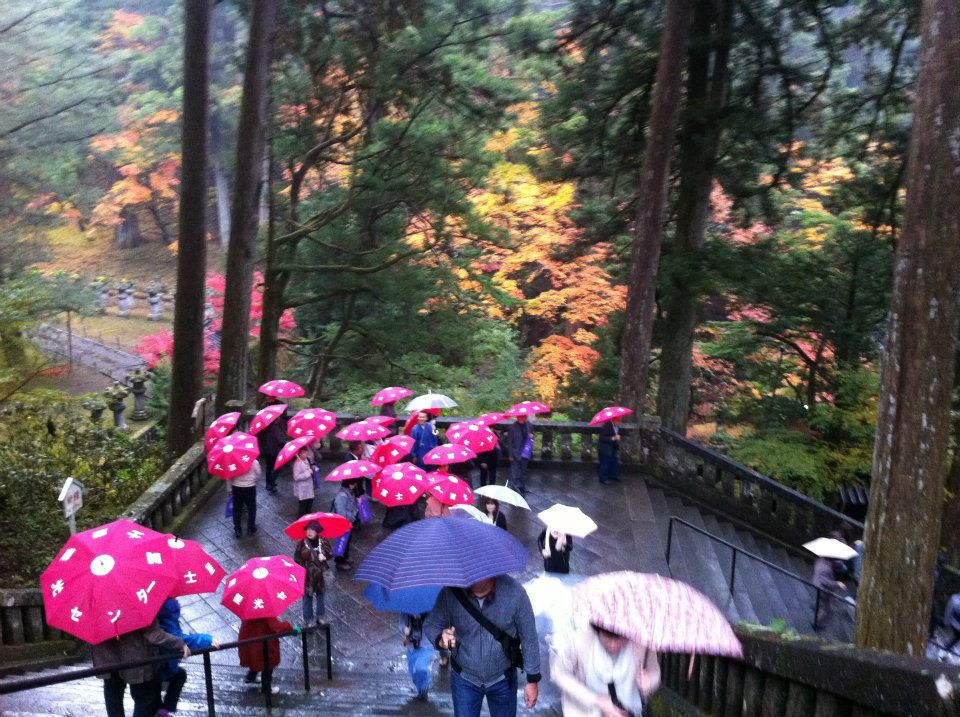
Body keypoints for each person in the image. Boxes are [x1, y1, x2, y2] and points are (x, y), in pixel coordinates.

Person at [424, 575, 542, 717]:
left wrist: (532, 679)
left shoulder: (515, 593)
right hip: (464, 678)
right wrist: (441, 640)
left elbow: (529, 637)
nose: (471, 579)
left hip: (503, 678)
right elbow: (432, 624)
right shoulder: (451, 592)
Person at [551, 623, 660, 717]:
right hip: (584, 712)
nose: (612, 644)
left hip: (629, 710)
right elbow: (559, 673)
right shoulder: (580, 638)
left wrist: (649, 681)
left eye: (620, 638)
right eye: (607, 637)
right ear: (598, 629)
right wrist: (596, 699)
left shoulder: (642, 641)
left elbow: (654, 669)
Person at [91, 620, 188, 717]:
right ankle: (163, 711)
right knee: (144, 699)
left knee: (113, 696)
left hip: (106, 660)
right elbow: (153, 635)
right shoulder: (136, 606)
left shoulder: (93, 608)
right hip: (136, 661)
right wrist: (180, 643)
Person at [155, 597, 217, 717]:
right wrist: (207, 639)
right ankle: (163, 711)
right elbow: (177, 638)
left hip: (157, 662)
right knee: (149, 697)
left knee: (177, 676)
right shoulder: (166, 608)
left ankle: (162, 711)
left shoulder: (159, 608)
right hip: (158, 664)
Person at [238, 615, 295, 694]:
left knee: (255, 659)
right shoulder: (266, 613)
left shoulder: (252, 611)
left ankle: (251, 677)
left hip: (250, 640)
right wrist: (291, 627)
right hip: (262, 644)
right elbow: (276, 626)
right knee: (268, 664)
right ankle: (266, 689)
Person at [294, 521, 333, 626]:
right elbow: (296, 559)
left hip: (320, 576)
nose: (309, 532)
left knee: (320, 596)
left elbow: (330, 554)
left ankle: (320, 617)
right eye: (308, 529)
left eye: (312, 529)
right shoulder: (302, 543)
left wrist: (324, 557)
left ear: (317, 531)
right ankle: (309, 619)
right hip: (307, 575)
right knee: (307, 598)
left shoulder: (323, 541)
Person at [257, 399, 288, 494]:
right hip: (275, 451)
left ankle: (268, 483)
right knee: (277, 468)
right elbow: (280, 440)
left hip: (267, 450)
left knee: (268, 468)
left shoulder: (264, 426)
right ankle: (272, 483)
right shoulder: (275, 428)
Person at [401, 612, 434, 701]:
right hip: (412, 646)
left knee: (420, 667)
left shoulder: (431, 612)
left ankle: (424, 689)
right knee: (413, 670)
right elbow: (402, 624)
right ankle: (420, 691)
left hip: (426, 645)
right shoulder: (406, 612)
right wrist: (405, 629)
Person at [332, 478, 361, 570]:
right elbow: (341, 513)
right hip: (343, 524)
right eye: (353, 484)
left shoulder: (349, 492)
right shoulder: (342, 496)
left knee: (347, 542)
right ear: (349, 484)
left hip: (349, 523)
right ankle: (339, 562)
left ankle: (345, 557)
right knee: (342, 542)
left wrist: (357, 502)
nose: (355, 485)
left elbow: (350, 505)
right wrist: (352, 515)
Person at [229, 459, 262, 538]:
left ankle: (237, 529)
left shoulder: (233, 462)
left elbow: (229, 476)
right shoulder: (254, 462)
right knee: (251, 508)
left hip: (236, 487)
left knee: (237, 509)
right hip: (250, 487)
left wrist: (229, 489)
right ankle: (251, 527)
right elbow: (259, 473)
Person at [812, 556, 845, 624]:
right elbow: (826, 582)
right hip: (822, 588)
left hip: (817, 583)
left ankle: (816, 605)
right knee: (826, 609)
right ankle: (817, 622)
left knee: (820, 598)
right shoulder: (825, 569)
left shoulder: (821, 560)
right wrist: (838, 584)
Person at [507, 415, 531, 496]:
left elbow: (531, 435)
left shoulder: (528, 425)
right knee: (515, 472)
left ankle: (522, 487)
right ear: (517, 417)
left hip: (525, 453)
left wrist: (531, 435)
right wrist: (510, 454)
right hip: (515, 453)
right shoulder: (512, 427)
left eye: (524, 416)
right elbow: (510, 442)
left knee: (523, 472)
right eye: (520, 417)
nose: (522, 418)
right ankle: (515, 487)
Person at [292, 445, 315, 517]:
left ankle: (308, 521)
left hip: (309, 487)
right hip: (303, 488)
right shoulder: (297, 463)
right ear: (299, 453)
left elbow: (309, 468)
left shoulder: (306, 460)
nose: (305, 454)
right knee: (303, 507)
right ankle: (301, 521)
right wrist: (308, 472)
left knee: (309, 504)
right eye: (303, 453)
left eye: (306, 452)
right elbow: (296, 477)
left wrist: (312, 468)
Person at [597, 417, 622, 485]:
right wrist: (613, 438)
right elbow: (602, 438)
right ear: (613, 420)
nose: (619, 422)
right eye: (618, 421)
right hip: (605, 448)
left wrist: (617, 438)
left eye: (620, 421)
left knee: (614, 461)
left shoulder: (616, 426)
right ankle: (603, 478)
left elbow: (615, 434)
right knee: (605, 463)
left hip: (613, 447)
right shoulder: (607, 426)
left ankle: (613, 476)